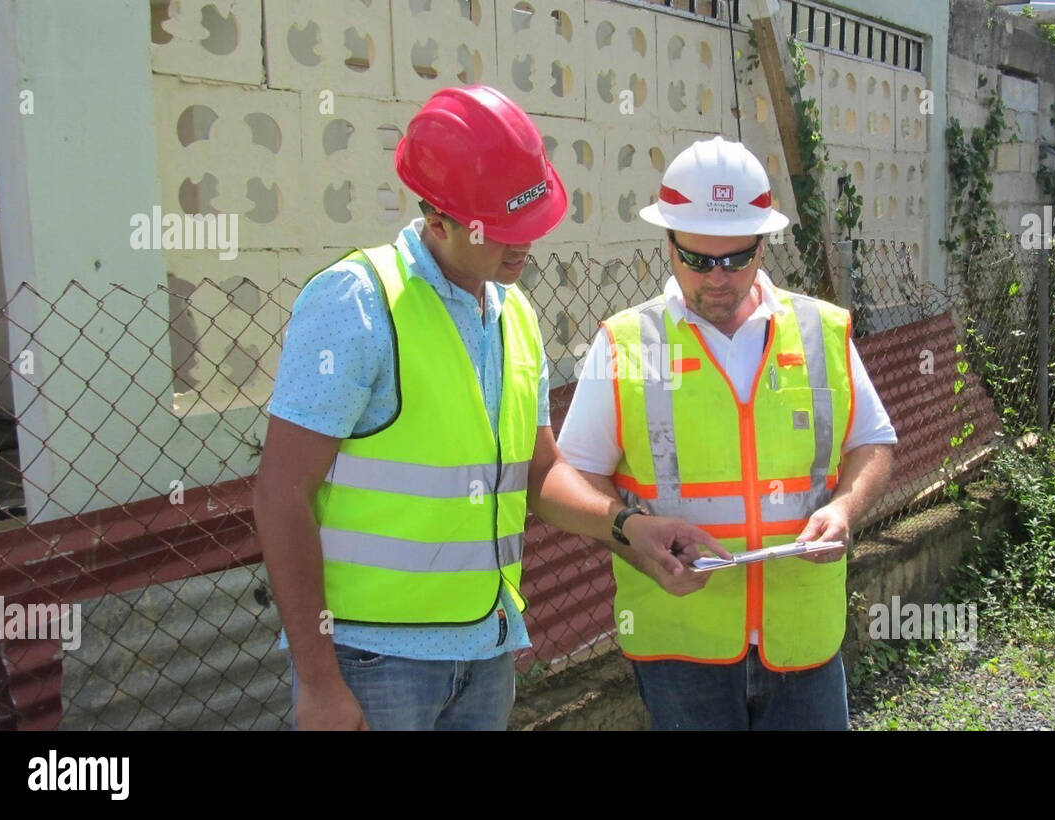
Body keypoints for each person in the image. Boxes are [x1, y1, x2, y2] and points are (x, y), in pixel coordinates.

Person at [253, 85, 722, 731]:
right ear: (439, 221)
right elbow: (281, 494)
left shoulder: (513, 315)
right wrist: (318, 681)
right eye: (505, 232)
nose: (525, 245)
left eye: (533, 224)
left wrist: (629, 529)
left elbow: (540, 474)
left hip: (487, 647)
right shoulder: (357, 305)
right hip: (373, 662)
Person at [557, 135, 898, 730]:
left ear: (762, 248)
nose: (718, 278)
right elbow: (567, 482)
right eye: (697, 259)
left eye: (736, 259)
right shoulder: (625, 346)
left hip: (804, 642)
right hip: (680, 647)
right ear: (668, 244)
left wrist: (845, 509)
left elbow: (873, 443)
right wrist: (631, 534)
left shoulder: (820, 330)